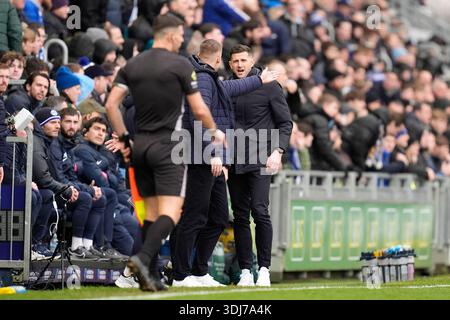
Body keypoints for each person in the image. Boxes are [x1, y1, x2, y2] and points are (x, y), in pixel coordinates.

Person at [105, 14, 226, 292]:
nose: (183, 39)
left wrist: (124, 137)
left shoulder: (132, 64)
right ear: (171, 35)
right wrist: (214, 131)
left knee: (150, 216)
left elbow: (112, 105)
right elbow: (198, 109)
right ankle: (140, 260)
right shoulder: (181, 66)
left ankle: (149, 275)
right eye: (181, 34)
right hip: (168, 147)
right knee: (170, 215)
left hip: (140, 147)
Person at [171, 39, 277, 287]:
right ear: (220, 60)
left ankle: (199, 272)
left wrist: (259, 80)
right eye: (235, 60)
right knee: (195, 216)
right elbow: (200, 117)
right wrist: (213, 153)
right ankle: (180, 275)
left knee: (218, 217)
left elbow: (229, 90)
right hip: (203, 157)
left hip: (214, 158)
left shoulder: (209, 77)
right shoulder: (202, 78)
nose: (239, 65)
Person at [227, 44, 292, 287]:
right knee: (240, 216)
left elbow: (285, 123)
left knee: (260, 211)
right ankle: (246, 270)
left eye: (243, 60)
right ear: (230, 64)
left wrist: (278, 151)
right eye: (235, 61)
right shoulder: (228, 87)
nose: (240, 65)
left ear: (252, 61)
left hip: (263, 158)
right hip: (234, 160)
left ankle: (264, 268)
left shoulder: (269, 86)